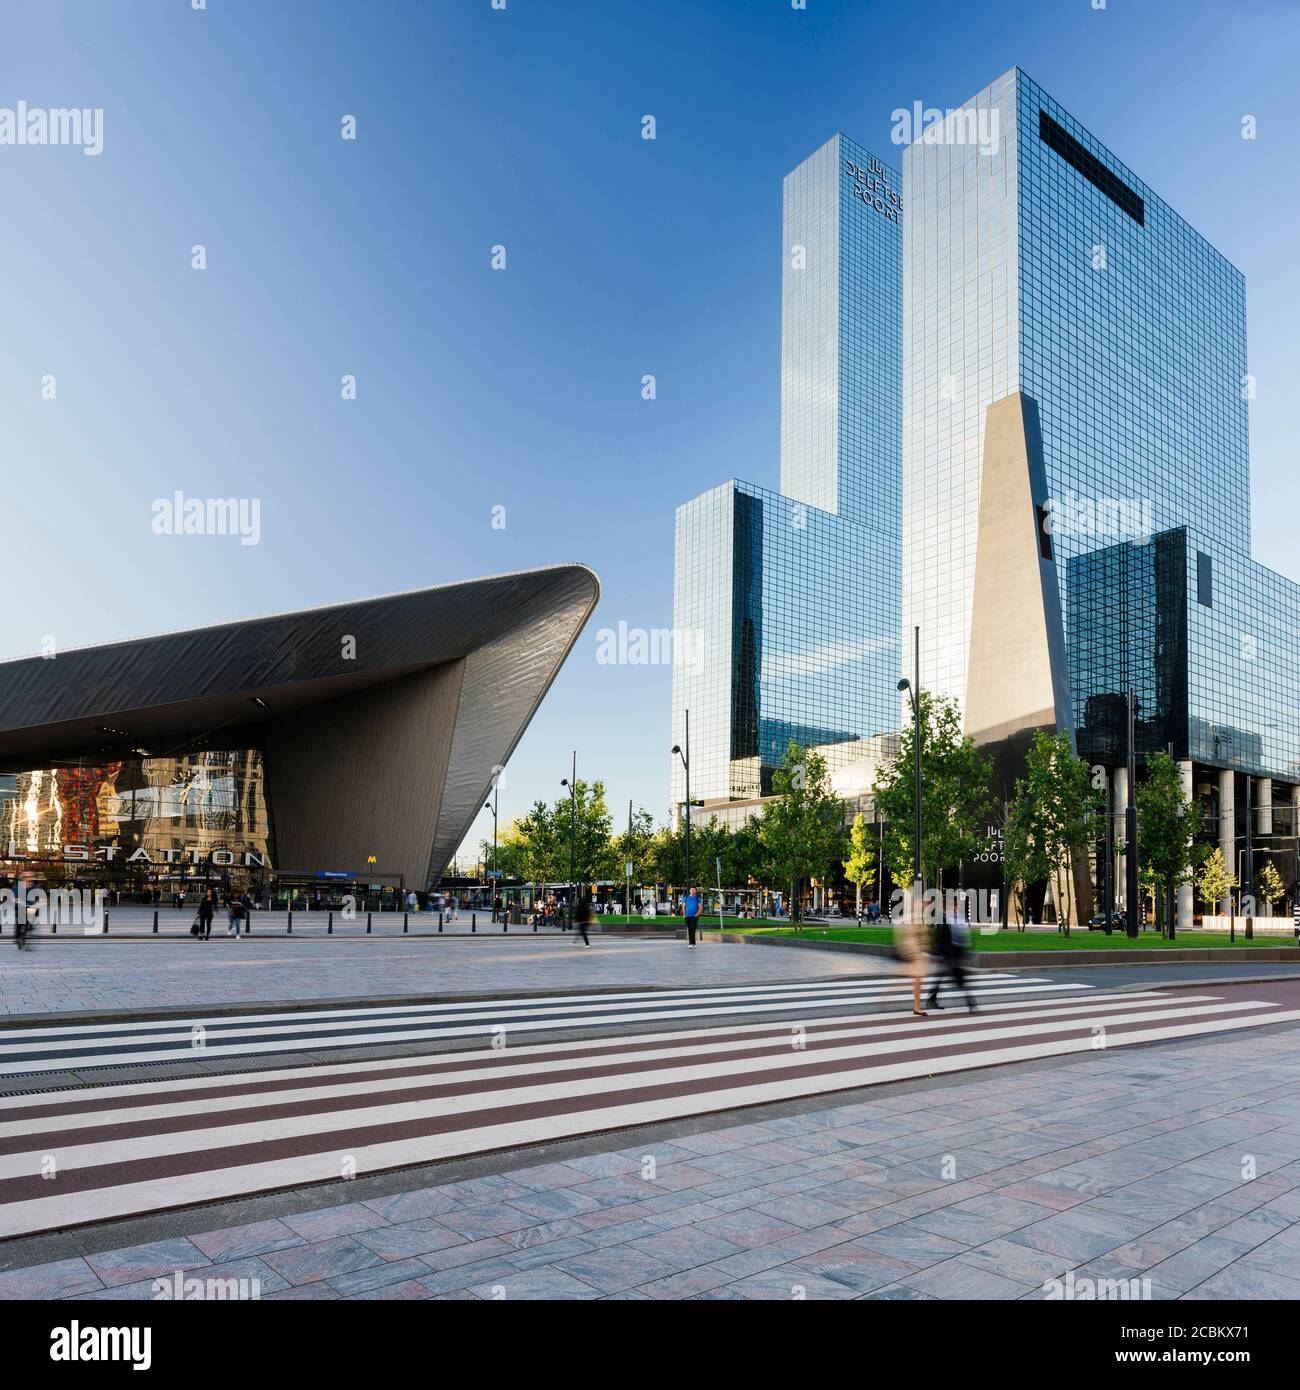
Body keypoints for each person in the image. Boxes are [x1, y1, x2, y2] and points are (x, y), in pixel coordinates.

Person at [925, 897, 978, 1013]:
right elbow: (939, 937)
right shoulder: (944, 918)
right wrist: (937, 954)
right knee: (958, 977)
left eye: (955, 905)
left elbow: (965, 934)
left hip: (956, 952)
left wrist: (966, 950)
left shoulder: (960, 917)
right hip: (947, 953)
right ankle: (971, 1003)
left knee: (943, 977)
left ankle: (931, 1000)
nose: (954, 908)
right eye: (952, 905)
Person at [893, 895, 929, 1016]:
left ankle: (917, 1006)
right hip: (914, 956)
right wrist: (917, 953)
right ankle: (886, 996)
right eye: (923, 903)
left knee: (917, 982)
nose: (925, 906)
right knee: (916, 982)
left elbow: (922, 937)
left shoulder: (919, 917)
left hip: (916, 955)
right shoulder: (914, 918)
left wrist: (924, 950)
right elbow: (910, 937)